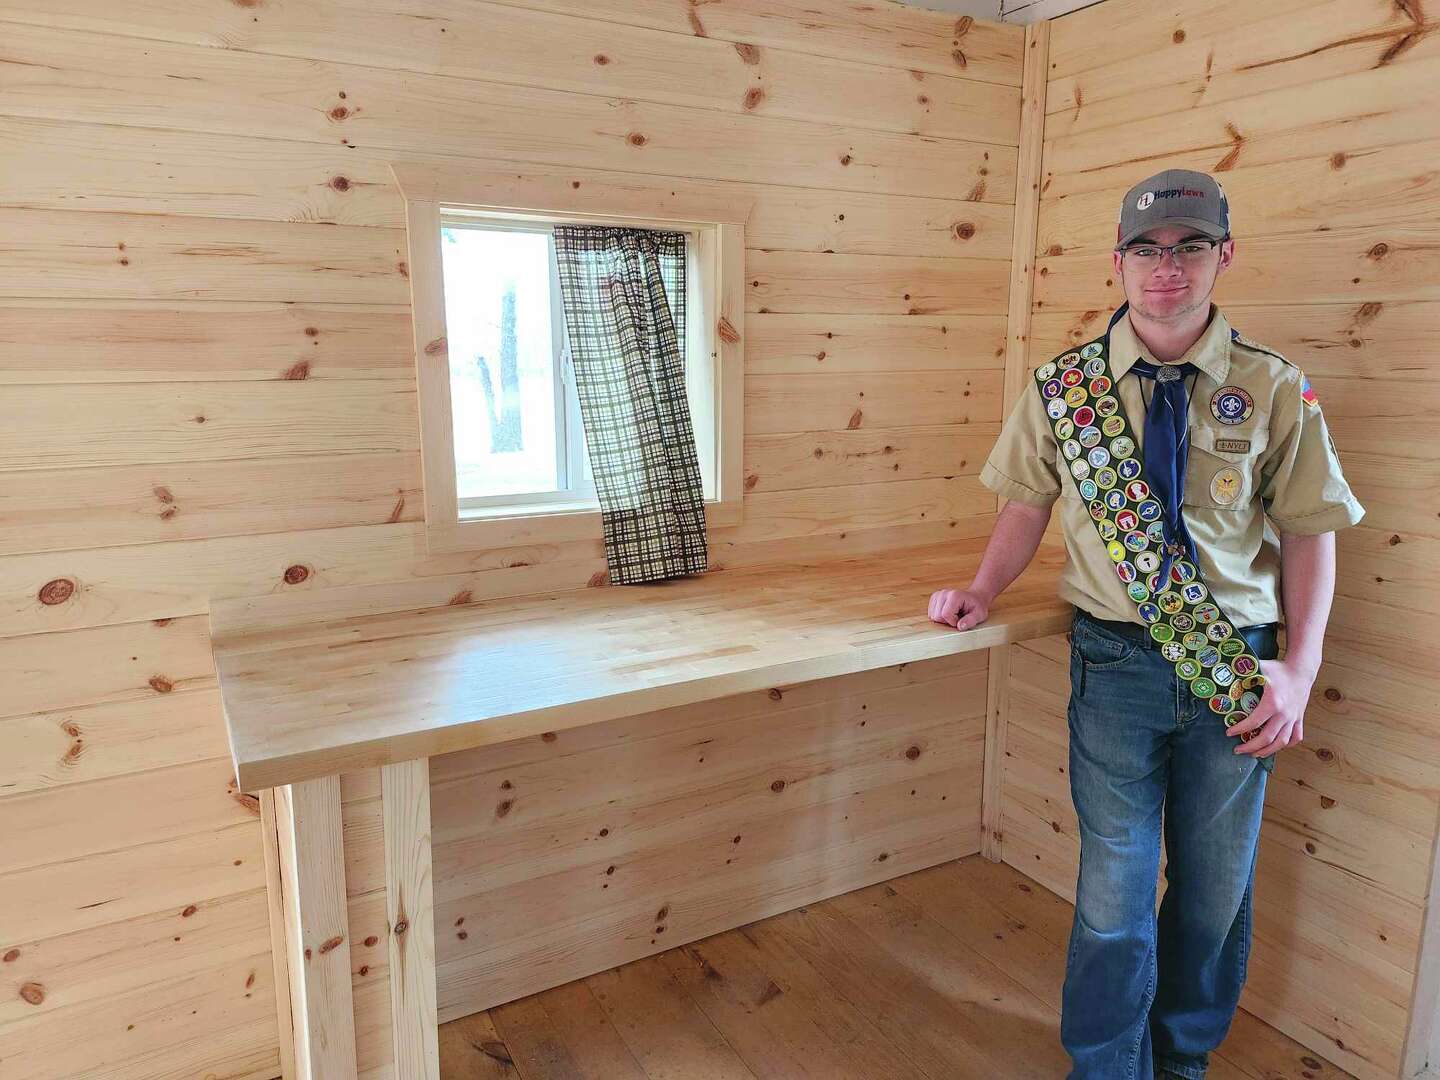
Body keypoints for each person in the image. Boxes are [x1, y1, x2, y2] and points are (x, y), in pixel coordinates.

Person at [926, 168, 1365, 1080]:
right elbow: (1024, 508)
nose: (1167, 269)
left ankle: (1180, 1063)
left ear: (1223, 257)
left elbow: (1311, 535)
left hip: (1236, 672)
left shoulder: (1275, 388)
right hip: (1115, 665)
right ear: (1117, 264)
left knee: (1212, 895)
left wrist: (1300, 671)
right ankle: (1107, 1068)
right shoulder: (1066, 389)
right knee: (1113, 898)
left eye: (1189, 248)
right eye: (1146, 251)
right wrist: (982, 588)